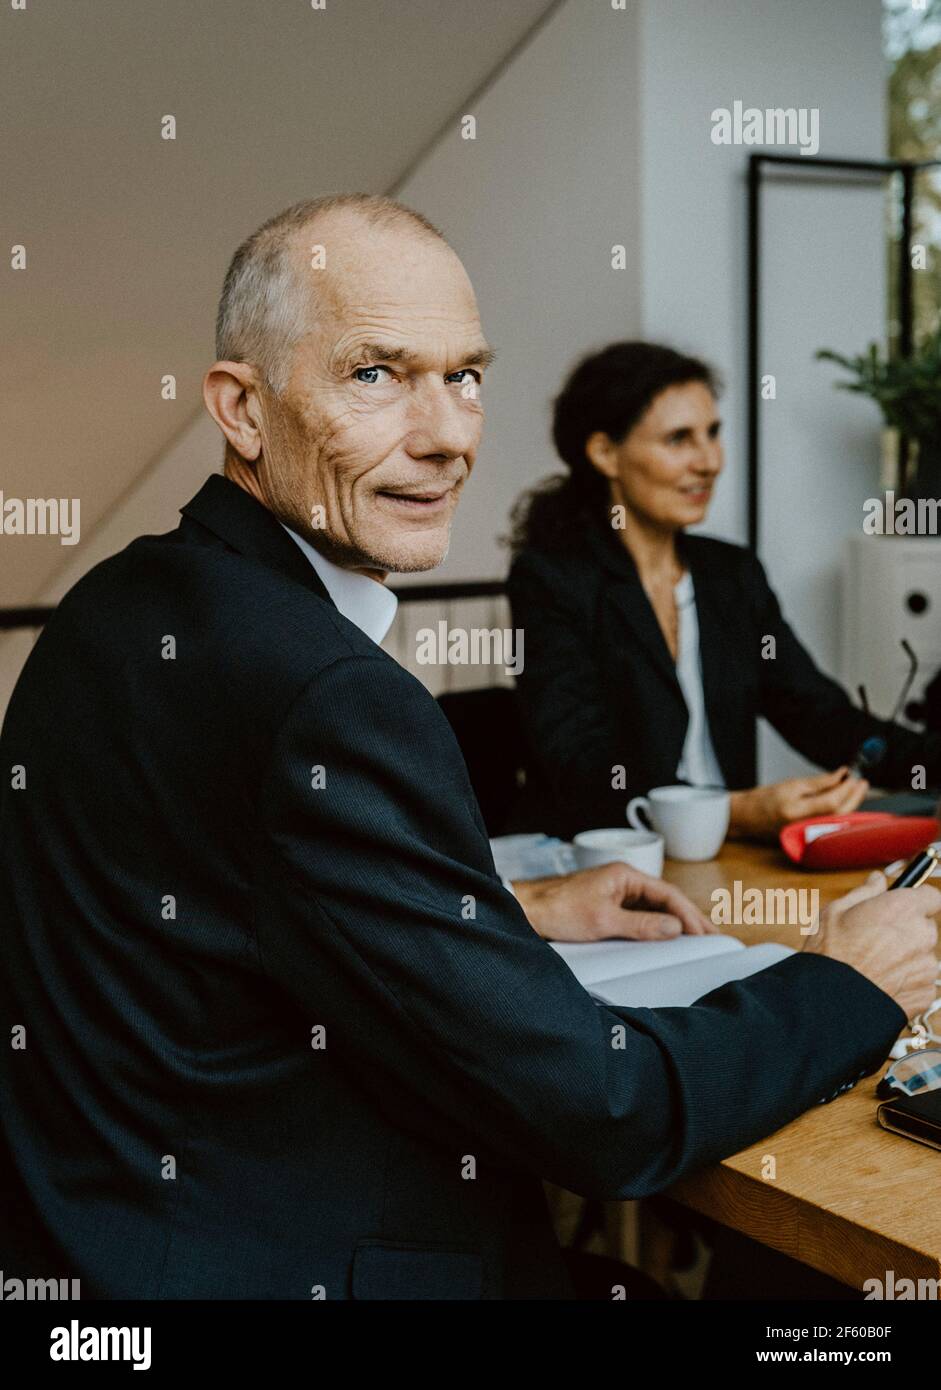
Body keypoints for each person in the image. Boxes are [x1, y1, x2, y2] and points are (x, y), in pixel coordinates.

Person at [1, 198, 937, 1301]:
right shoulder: (329, 690)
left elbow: (211, 894)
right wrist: (845, 978)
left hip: (102, 1245)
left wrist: (512, 909)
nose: (447, 435)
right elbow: (602, 1113)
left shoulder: (112, 603)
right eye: (376, 375)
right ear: (240, 408)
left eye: (465, 376)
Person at [507, 341, 941, 842]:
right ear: (605, 452)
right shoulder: (551, 580)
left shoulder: (730, 575)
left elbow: (819, 715)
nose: (710, 461)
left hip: (724, 858)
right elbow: (582, 766)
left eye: (713, 433)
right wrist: (732, 813)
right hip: (602, 860)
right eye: (679, 439)